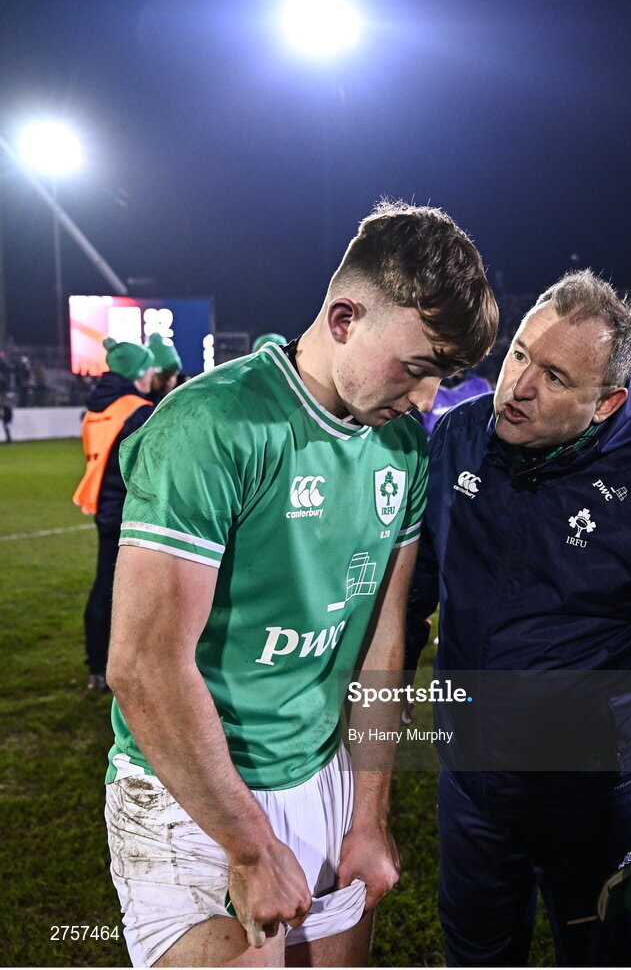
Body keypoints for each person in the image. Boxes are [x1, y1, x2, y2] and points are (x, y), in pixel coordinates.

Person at [104, 200, 499, 968]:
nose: (426, 400)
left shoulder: (401, 449)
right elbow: (143, 666)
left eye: (444, 377)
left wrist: (369, 815)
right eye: (419, 368)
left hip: (321, 777)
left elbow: (386, 644)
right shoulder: (210, 428)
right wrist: (249, 847)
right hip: (188, 787)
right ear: (345, 317)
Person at [406, 269, 631, 967]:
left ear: (605, 403)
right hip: (467, 777)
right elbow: (415, 591)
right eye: (519, 354)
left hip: (590, 794)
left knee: (598, 956)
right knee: (472, 952)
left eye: (555, 376)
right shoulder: (461, 438)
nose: (519, 385)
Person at [72, 338, 155, 692]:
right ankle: (126, 668)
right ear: (138, 371)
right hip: (131, 512)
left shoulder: (95, 408)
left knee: (104, 586)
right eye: (148, 368)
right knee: (132, 595)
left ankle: (96, 666)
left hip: (104, 508)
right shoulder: (138, 409)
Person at [147, 331, 182, 403]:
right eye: (163, 377)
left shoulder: (183, 395)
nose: (169, 382)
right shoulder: (142, 405)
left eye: (173, 375)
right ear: (150, 375)